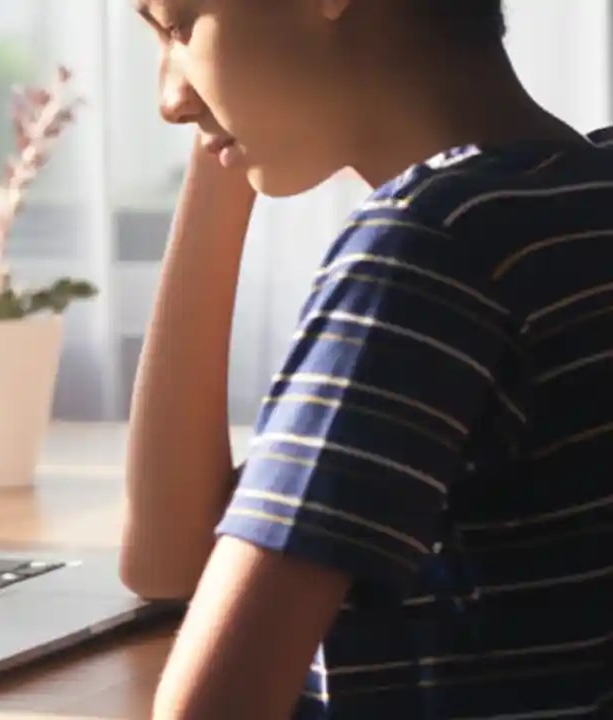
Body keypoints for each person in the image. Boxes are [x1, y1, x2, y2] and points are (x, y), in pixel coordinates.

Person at [119, 0, 613, 717]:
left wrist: (231, 112)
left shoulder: (429, 250)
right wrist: (223, 131)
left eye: (180, 25)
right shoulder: (560, 209)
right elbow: (170, 560)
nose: (170, 101)